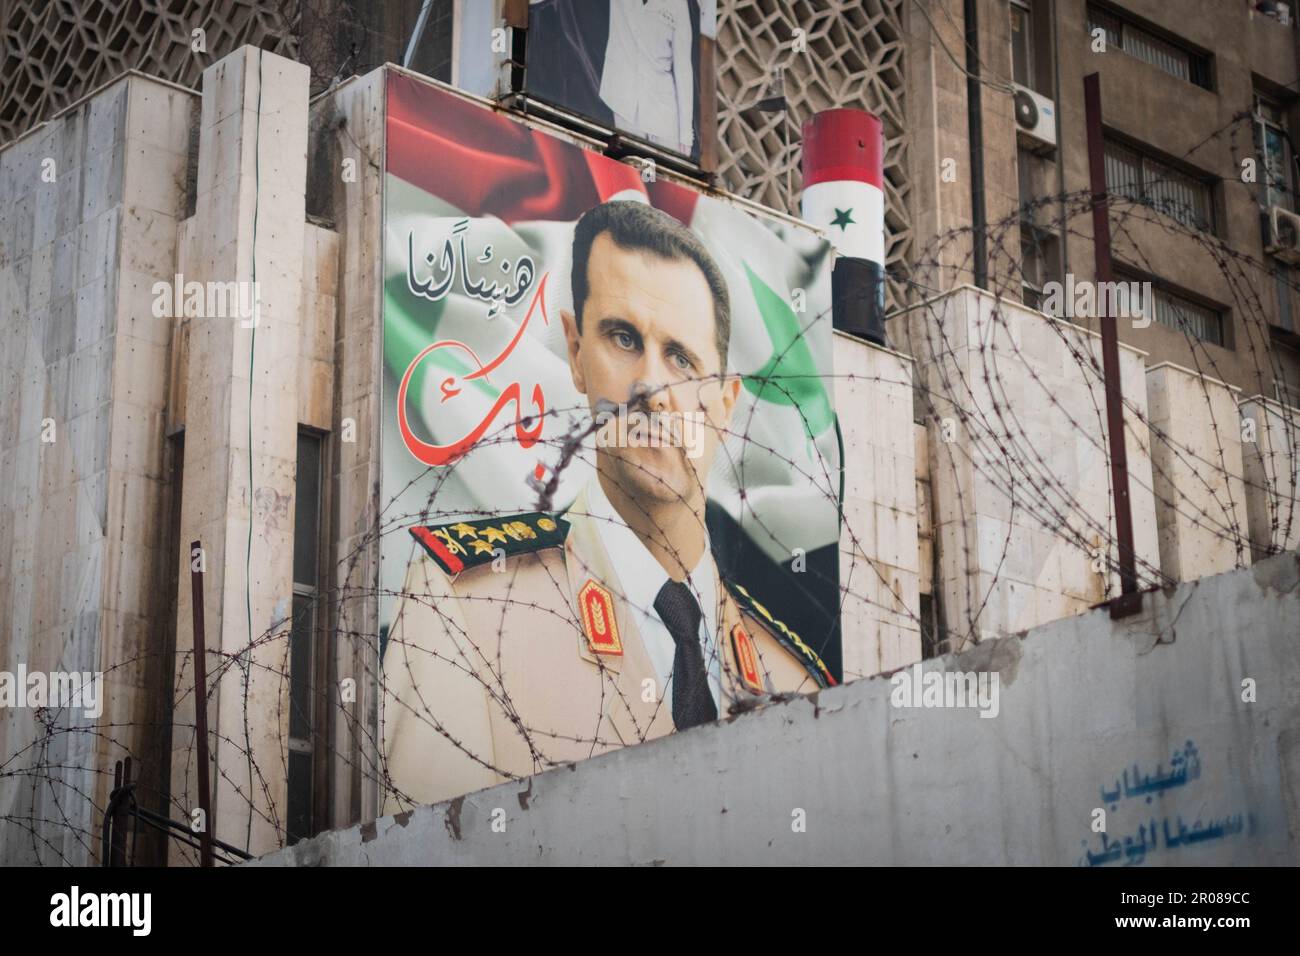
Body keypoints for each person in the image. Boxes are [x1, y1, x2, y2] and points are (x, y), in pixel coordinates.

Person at [381, 201, 833, 812]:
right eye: (623, 338)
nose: (651, 386)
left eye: (681, 357)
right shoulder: (466, 608)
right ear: (574, 351)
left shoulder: (795, 684)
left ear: (726, 403)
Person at [598, 0, 695, 155]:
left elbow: (683, 68)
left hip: (662, 105)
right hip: (623, 98)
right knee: (630, 166)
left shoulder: (678, 4)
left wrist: (685, 134)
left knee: (661, 172)